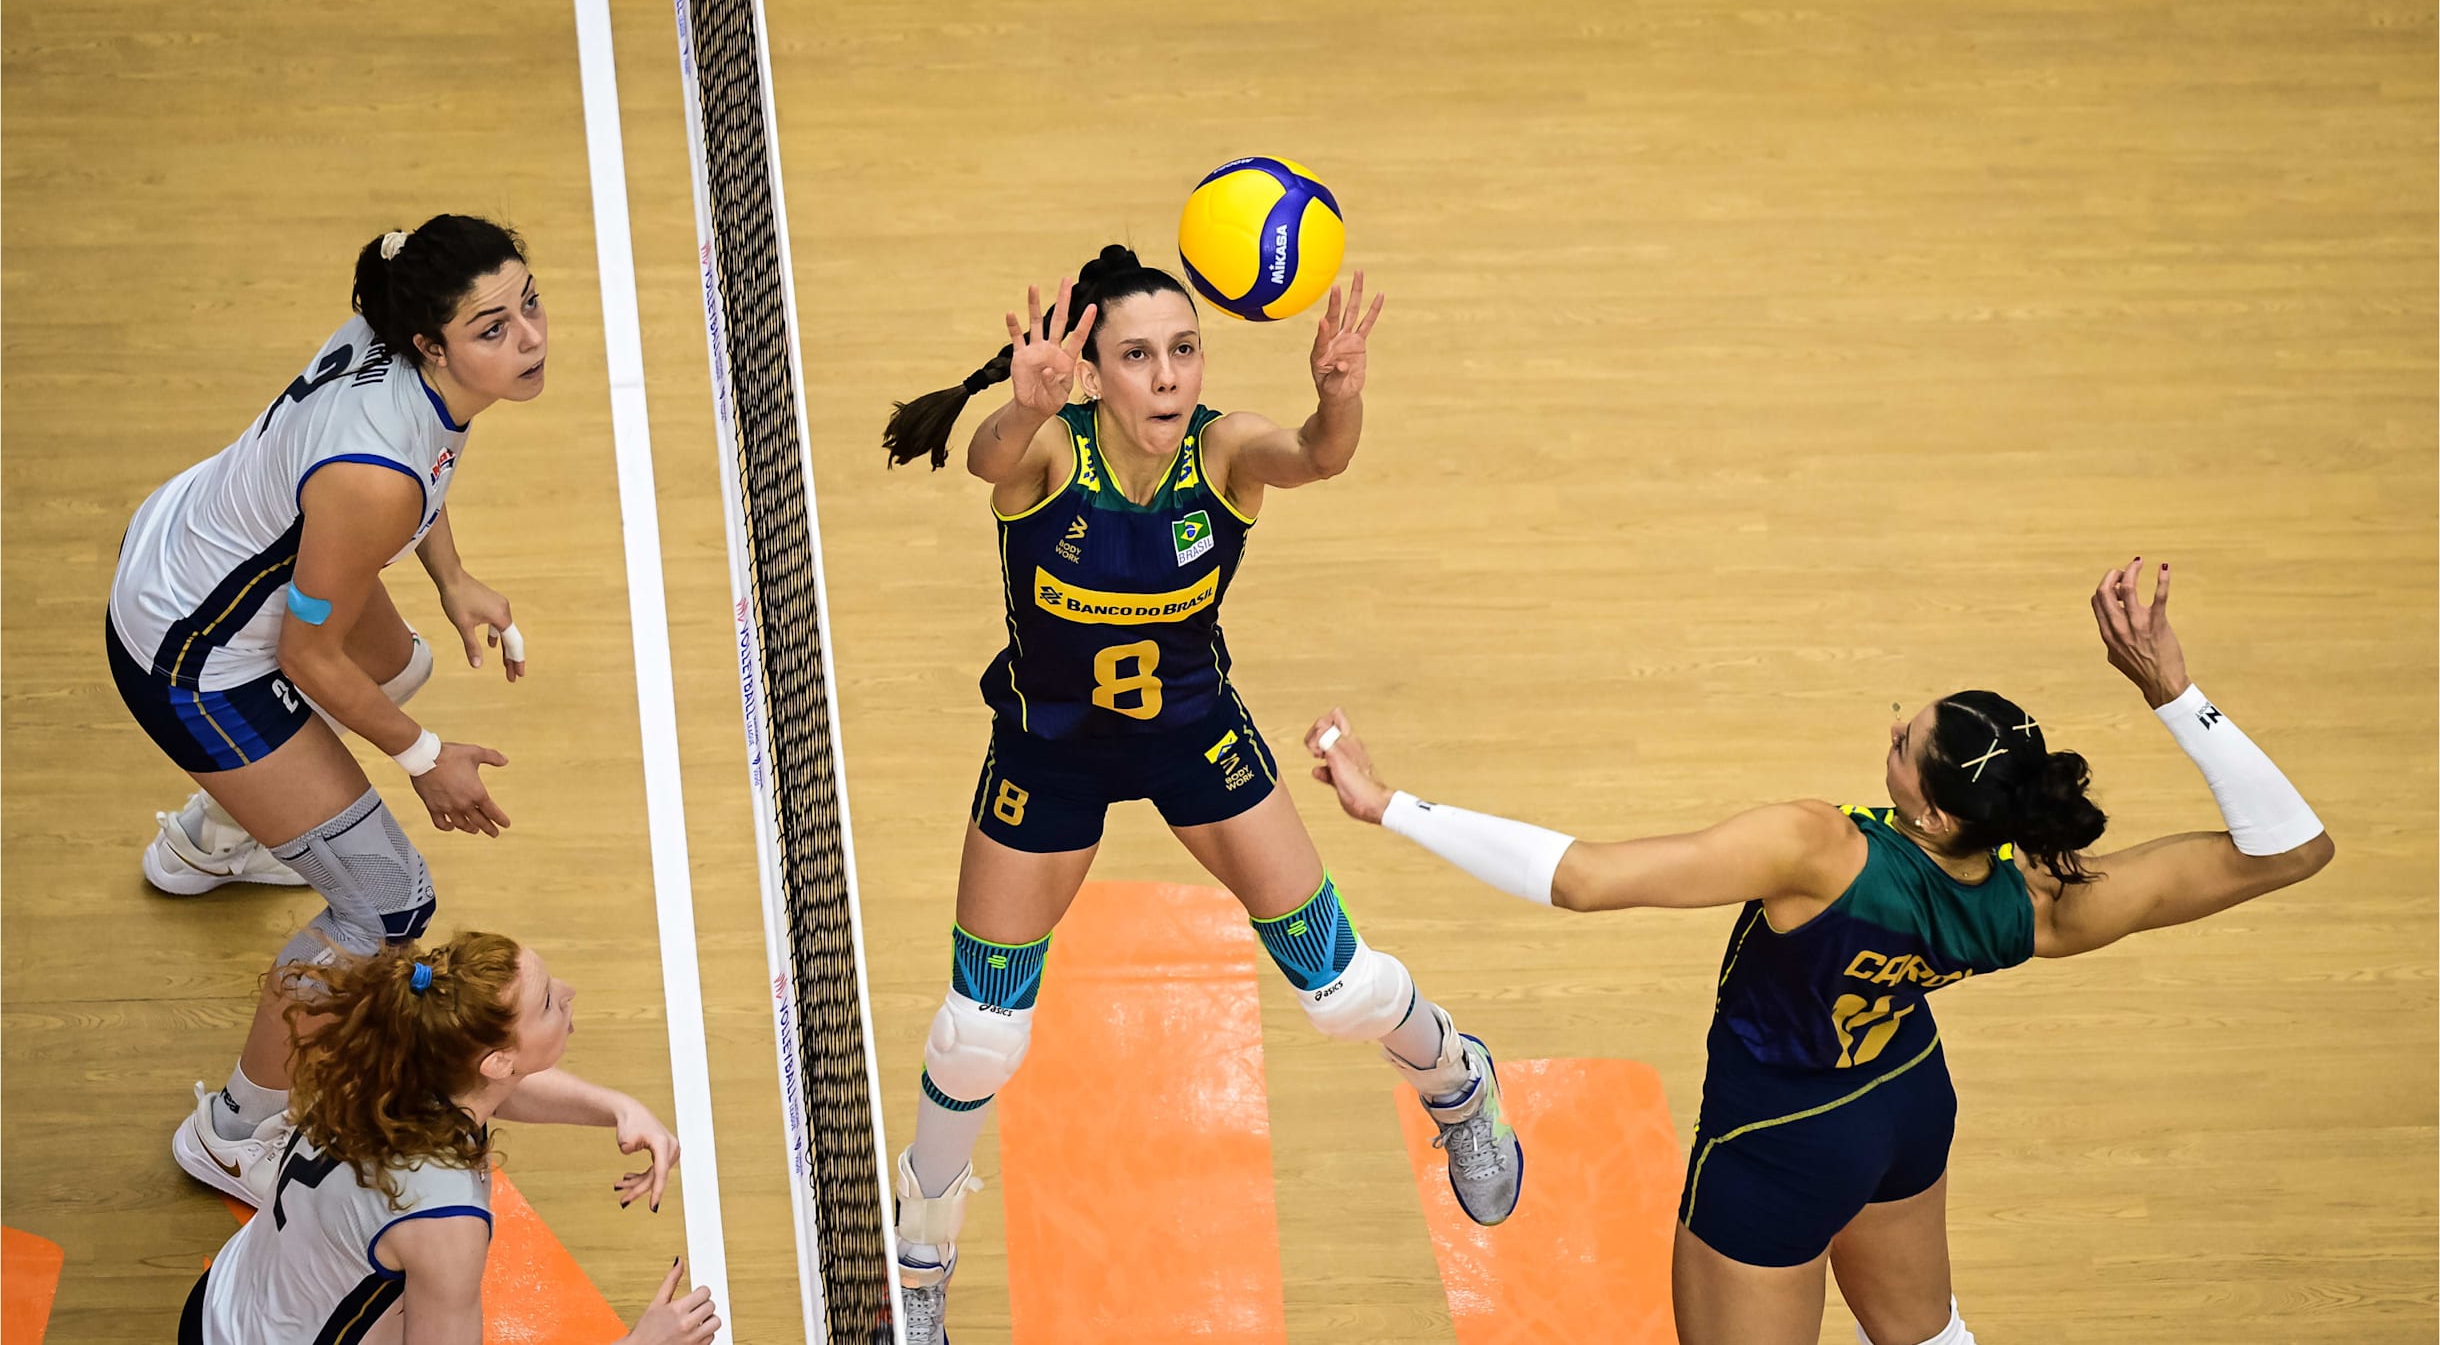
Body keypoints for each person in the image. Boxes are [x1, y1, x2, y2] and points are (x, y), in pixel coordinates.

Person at [1302, 559, 2334, 1345]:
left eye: (1903, 739)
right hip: (1903, 1111)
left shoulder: (1817, 851)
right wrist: (2173, 692)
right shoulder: (2039, 902)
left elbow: (1581, 878)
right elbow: (2292, 848)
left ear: (1926, 807)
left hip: (1775, 1149)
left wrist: (1390, 804)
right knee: (1927, 1334)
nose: (1891, 725)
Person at [876, 246, 1523, 1342]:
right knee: (978, 1031)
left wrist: (1338, 398)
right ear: (1091, 375)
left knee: (1342, 988)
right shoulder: (1048, 450)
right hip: (1052, 753)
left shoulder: (1221, 452)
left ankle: (1457, 1078)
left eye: (1182, 350)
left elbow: (1316, 456)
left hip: (1193, 740)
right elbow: (992, 459)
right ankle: (921, 1251)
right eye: (1136, 355)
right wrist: (1018, 401)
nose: (1167, 376)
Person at [107, 215, 540, 1203]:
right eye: (492, 327)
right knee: (387, 905)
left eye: (529, 303)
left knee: (398, 662)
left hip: (189, 545)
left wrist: (454, 575)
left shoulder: (390, 337)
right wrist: (427, 758)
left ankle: (213, 842)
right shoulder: (372, 477)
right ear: (431, 343)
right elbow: (307, 652)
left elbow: (412, 479)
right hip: (194, 654)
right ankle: (233, 1131)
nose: (529, 337)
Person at [175, 930, 721, 1345]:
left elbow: (500, 1089)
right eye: (550, 1002)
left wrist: (618, 1108)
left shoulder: (396, 1064)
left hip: (220, 1304)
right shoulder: (447, 1222)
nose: (569, 992)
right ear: (500, 1060)